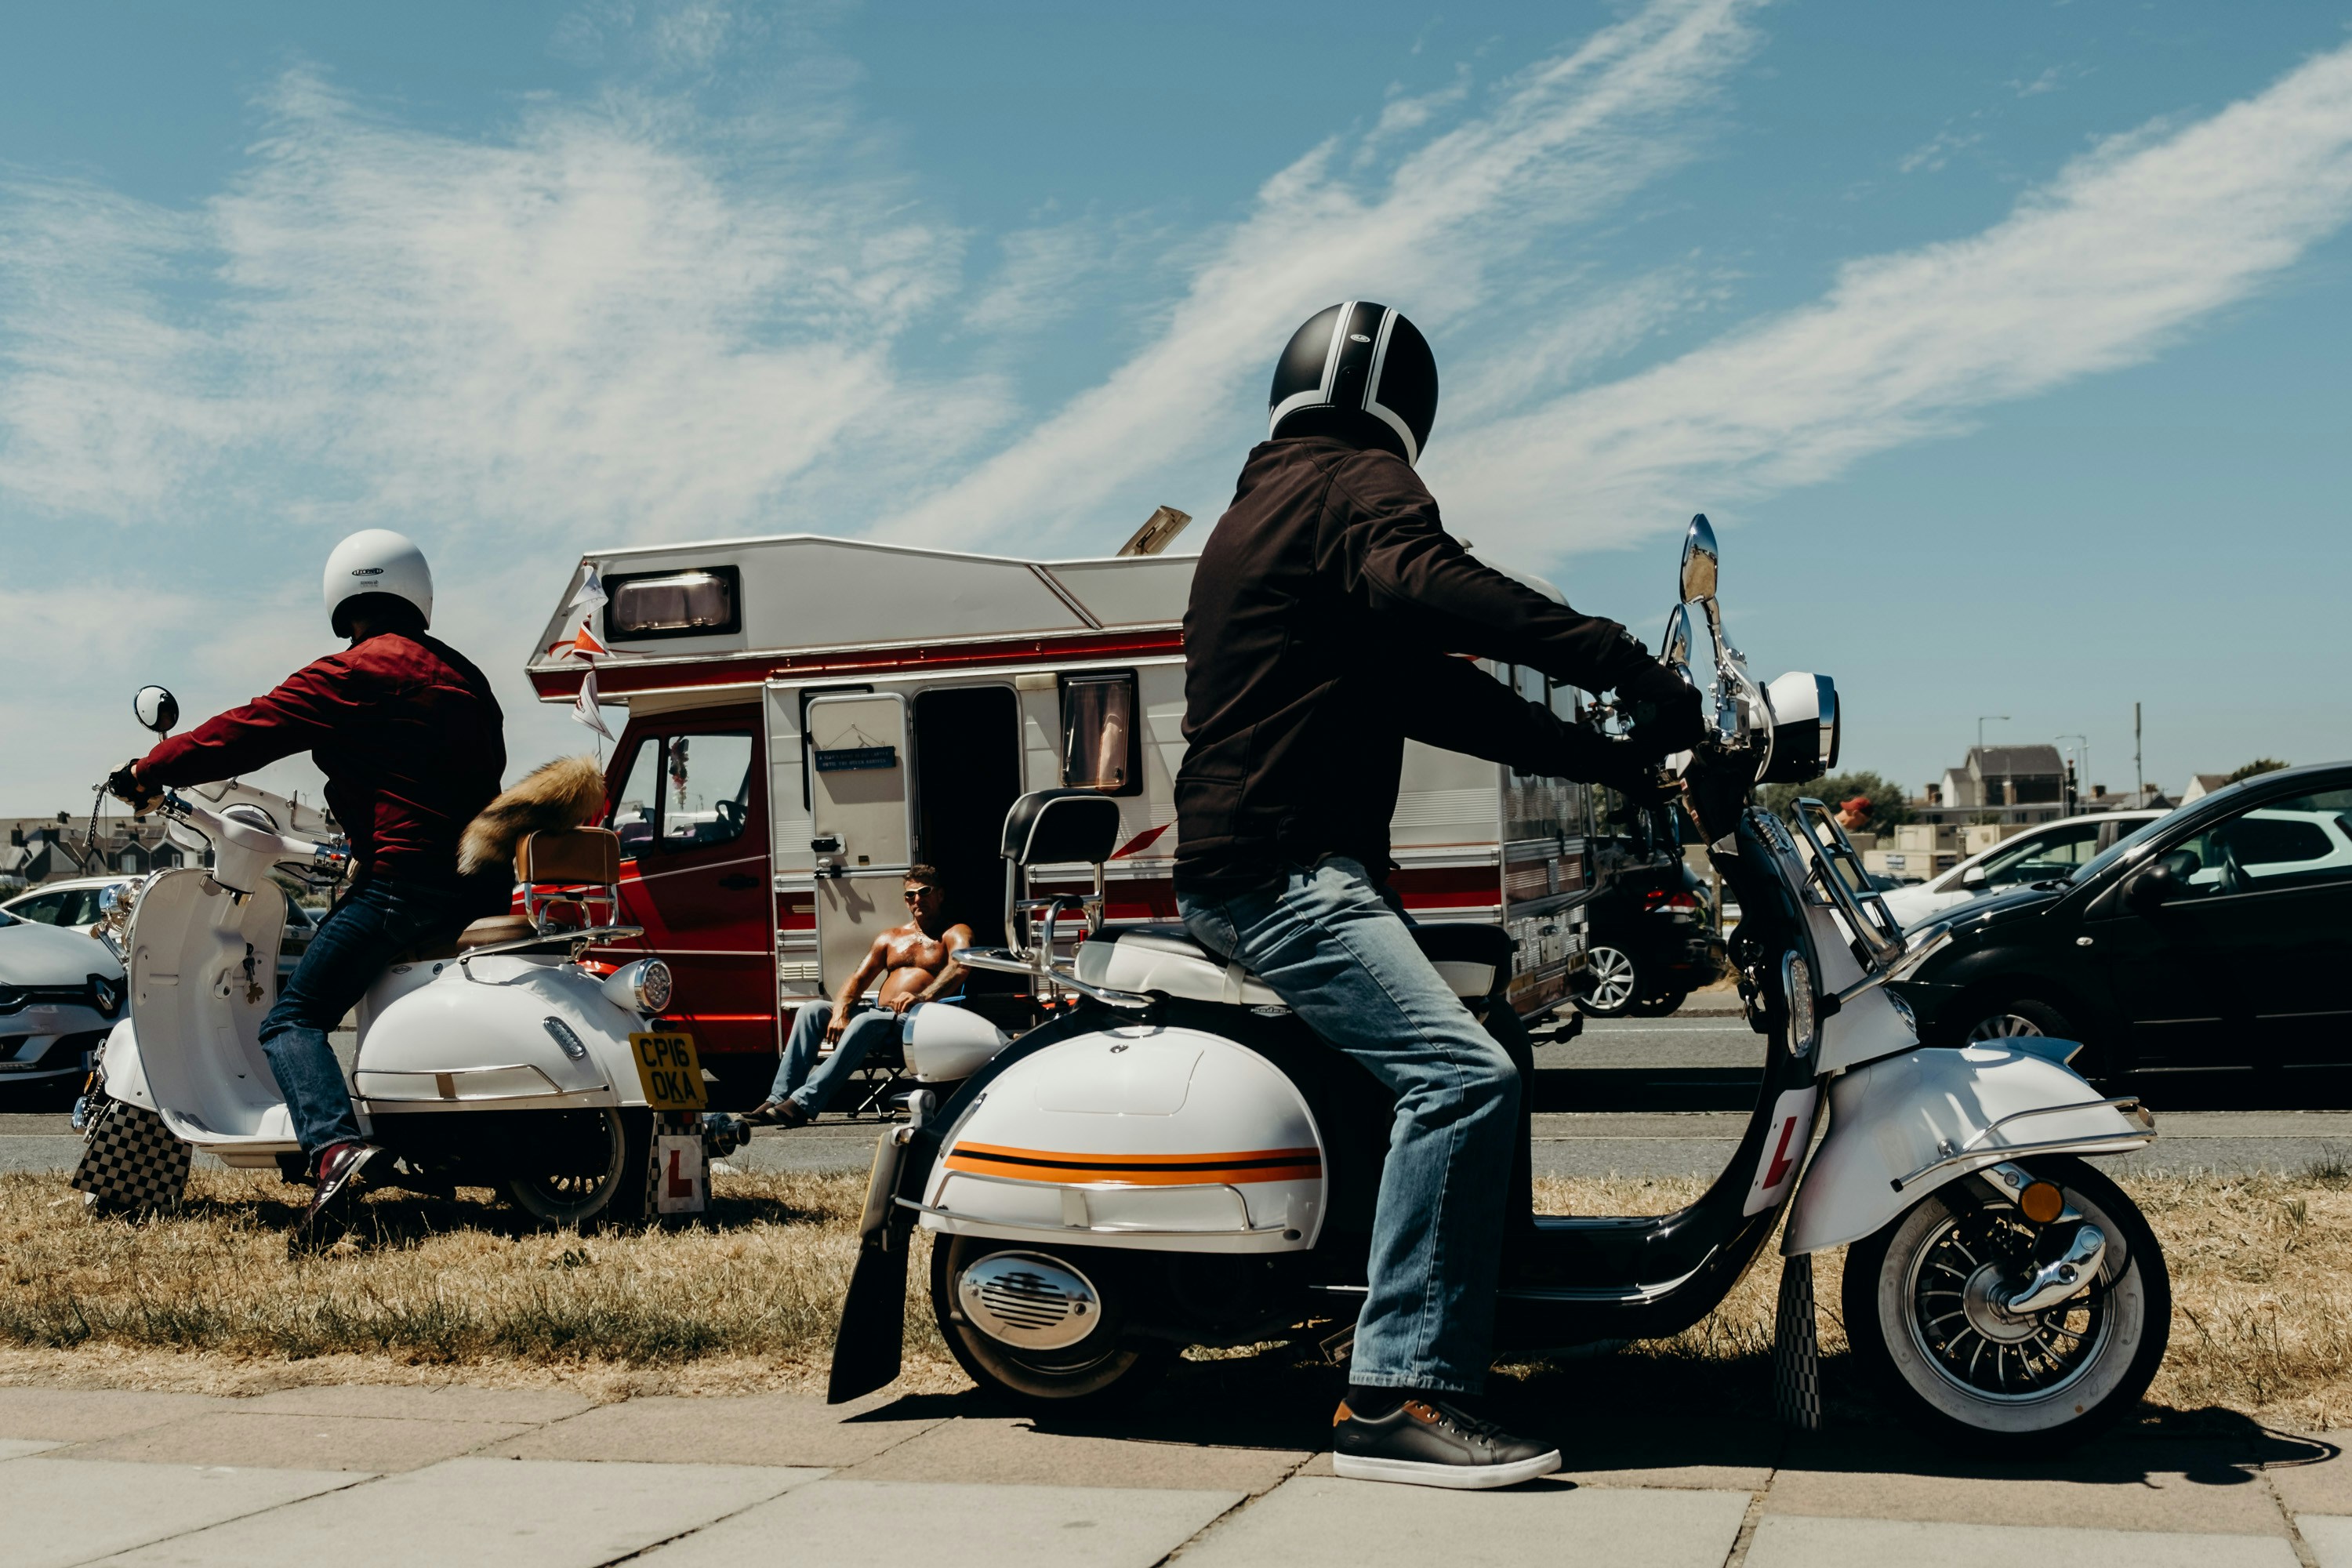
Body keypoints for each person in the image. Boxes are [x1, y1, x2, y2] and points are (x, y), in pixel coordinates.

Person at [1174, 301, 1702, 1489]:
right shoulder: (1352, 484)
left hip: (1267, 864)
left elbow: (1441, 692)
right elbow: (1430, 583)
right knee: (1463, 1077)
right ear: (1394, 395)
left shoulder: (1272, 505)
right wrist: (1623, 662)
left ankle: (1471, 1308)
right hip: (1281, 874)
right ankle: (1400, 1393)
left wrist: (1617, 761)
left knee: (1493, 1019)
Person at [107, 529, 508, 1253]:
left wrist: (151, 768)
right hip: (479, 880)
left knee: (292, 1018)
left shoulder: (356, 672)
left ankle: (330, 1150)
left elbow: (250, 729)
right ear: (418, 594)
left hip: (404, 881)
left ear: (342, 595)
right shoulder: (467, 677)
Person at [740, 866, 971, 1127]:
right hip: (881, 1019)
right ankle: (778, 1099)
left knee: (866, 1021)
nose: (917, 899)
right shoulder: (891, 937)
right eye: (910, 895)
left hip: (919, 1023)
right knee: (811, 1011)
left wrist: (923, 996)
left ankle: (803, 1103)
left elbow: (960, 966)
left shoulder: (954, 932)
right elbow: (858, 979)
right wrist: (840, 1012)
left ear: (940, 895)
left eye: (924, 892)